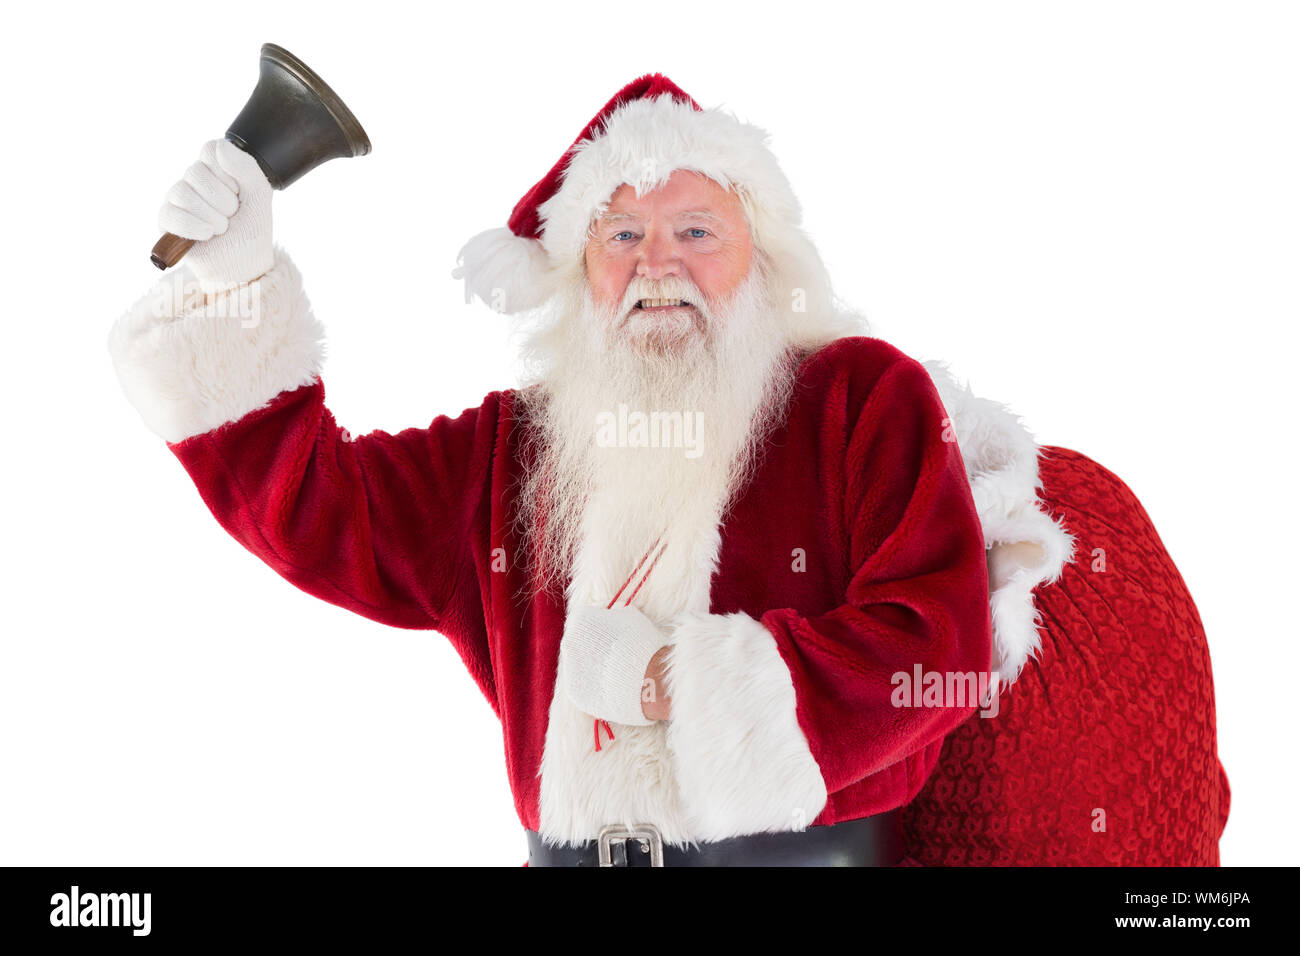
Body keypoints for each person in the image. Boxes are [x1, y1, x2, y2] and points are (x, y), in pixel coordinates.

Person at [109, 74, 1127, 866]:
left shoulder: (861, 397)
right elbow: (315, 510)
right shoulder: (510, 452)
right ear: (581, 270)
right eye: (623, 235)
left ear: (763, 255)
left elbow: (936, 641)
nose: (657, 264)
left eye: (696, 231)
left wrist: (668, 682)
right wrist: (232, 288)